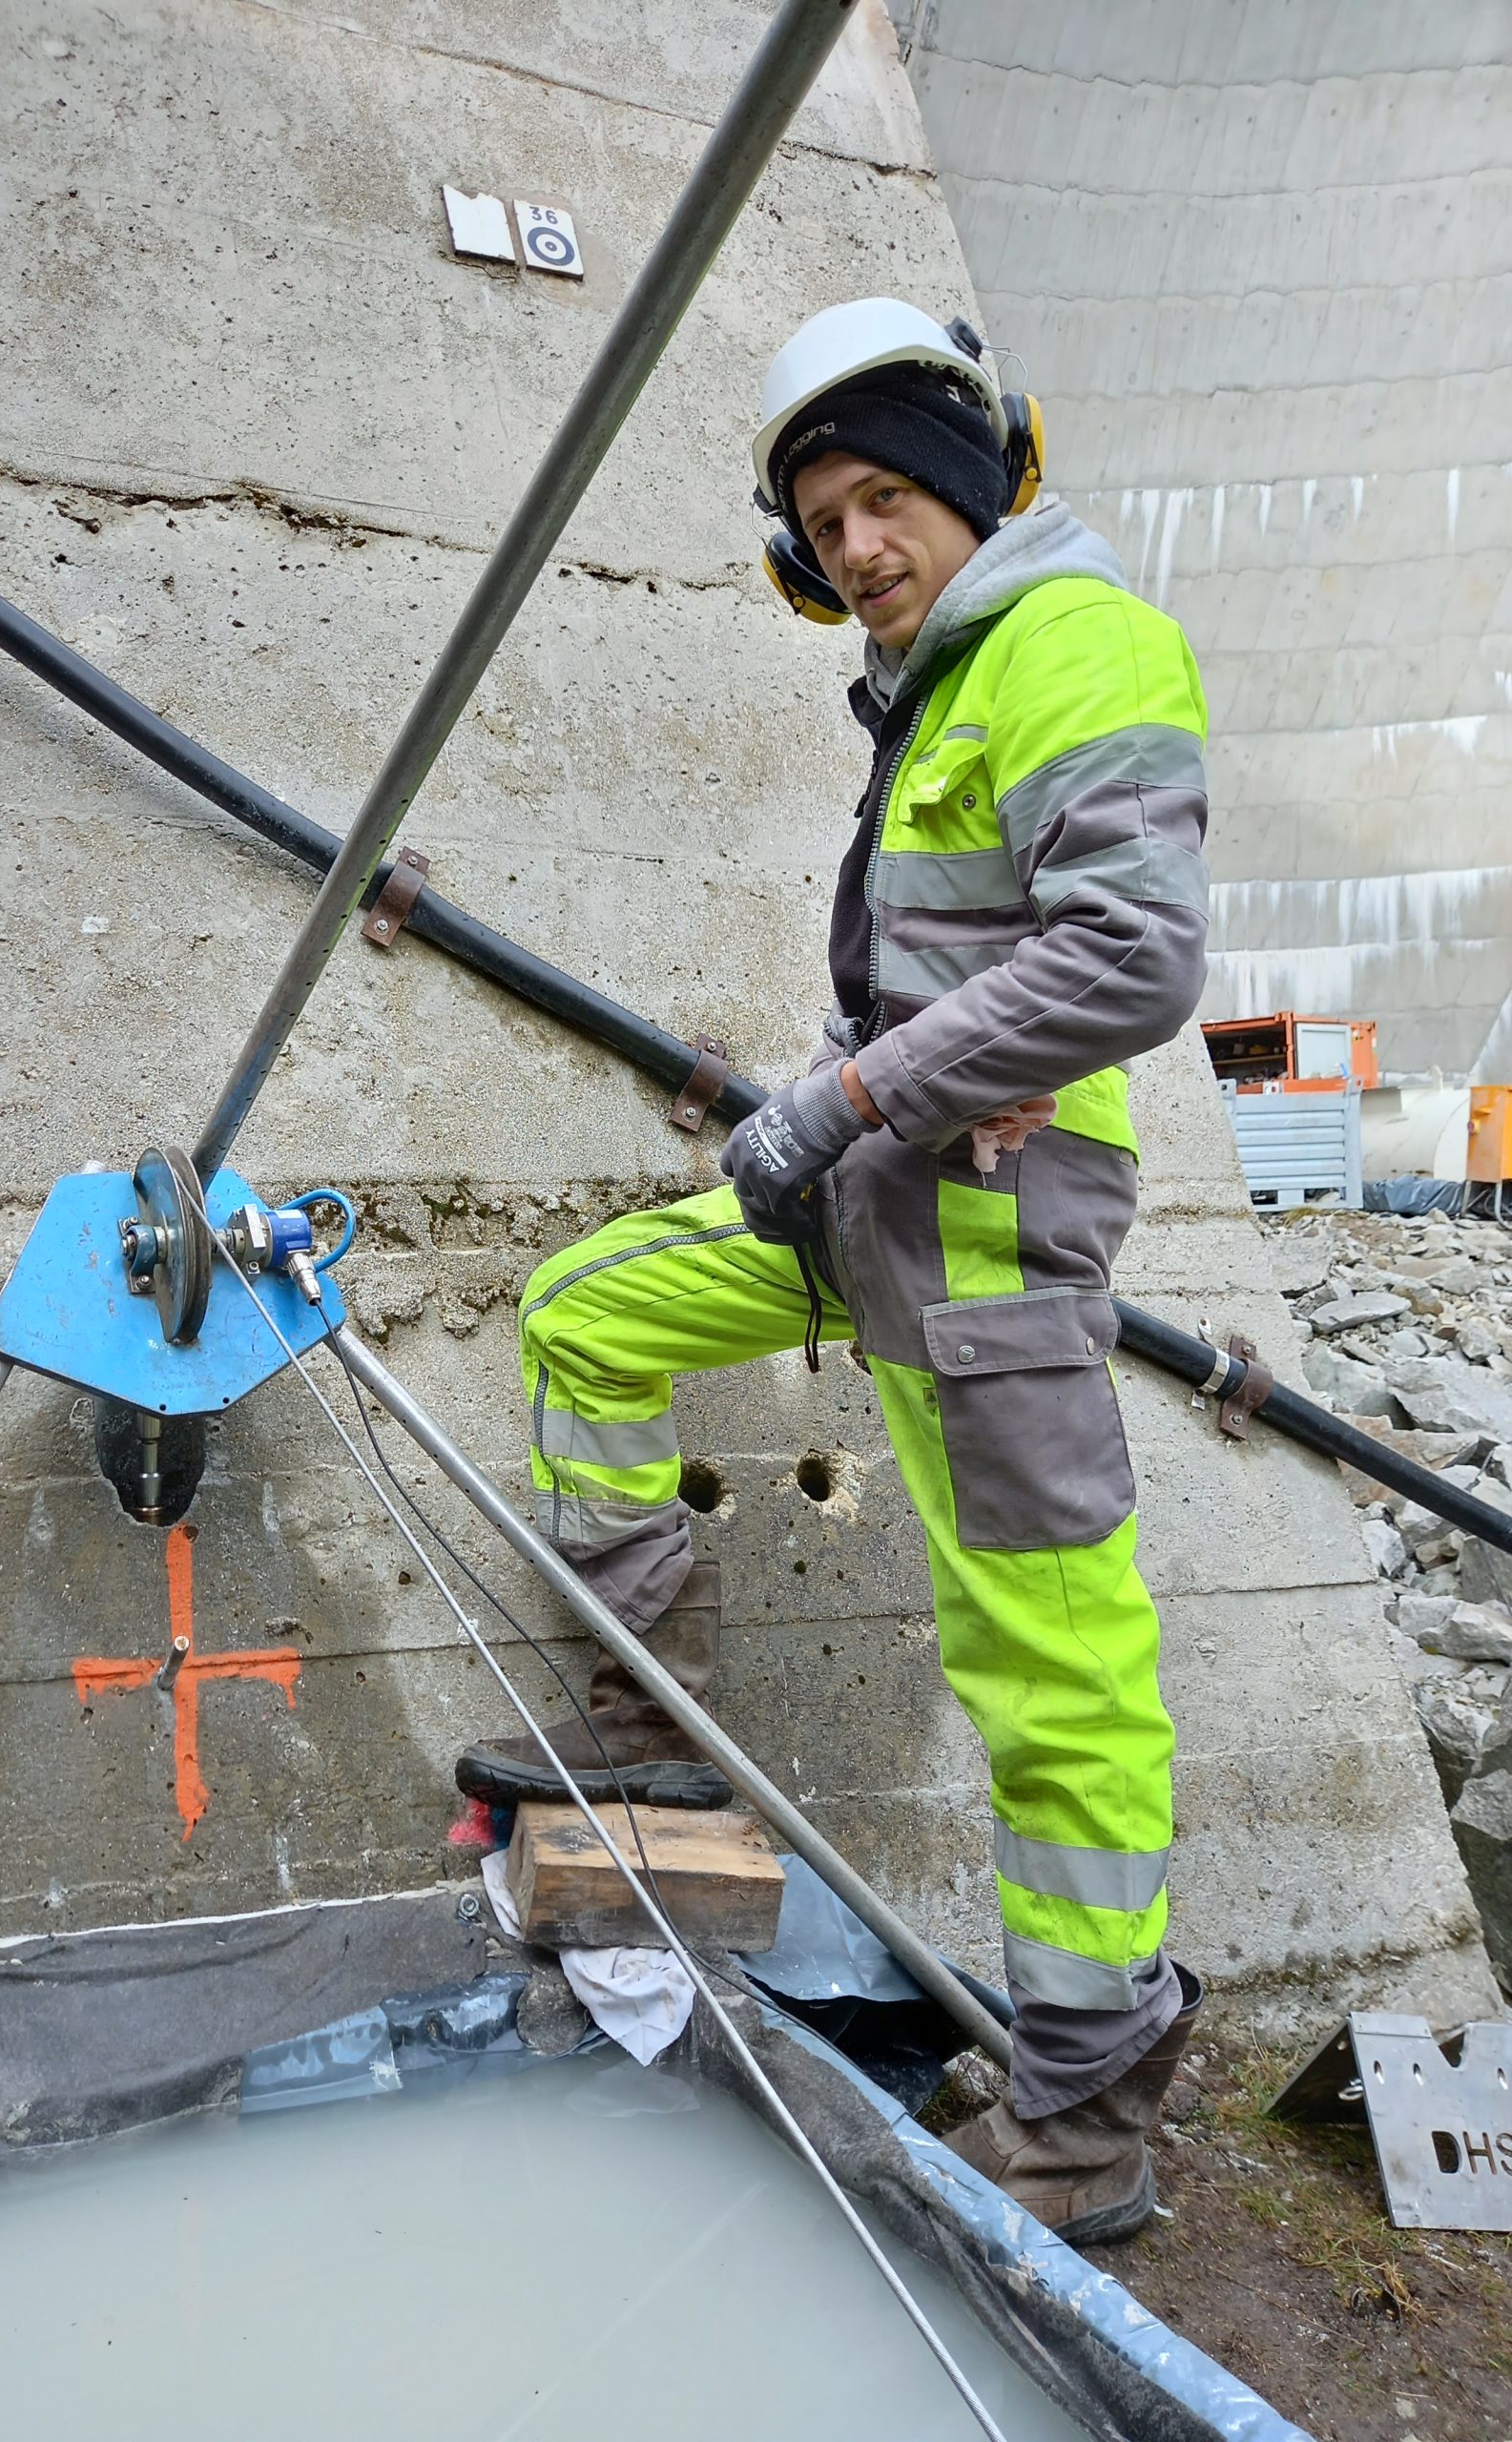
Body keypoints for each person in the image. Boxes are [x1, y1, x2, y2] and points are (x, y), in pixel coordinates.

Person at [454, 298, 1211, 2244]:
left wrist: (853, 1087)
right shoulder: (935, 679)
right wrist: (846, 1113)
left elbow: (1129, 954)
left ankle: (1084, 2110)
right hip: (879, 1184)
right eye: (827, 517)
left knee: (1049, 1659)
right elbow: (980, 966)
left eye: (890, 496)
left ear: (970, 482)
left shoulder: (1072, 640)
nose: (862, 544)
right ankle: (645, 1715)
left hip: (984, 1216)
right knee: (590, 1314)